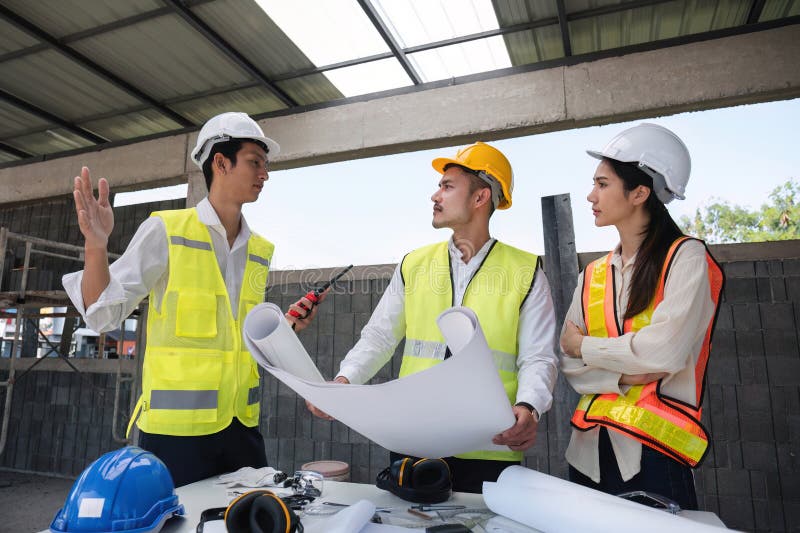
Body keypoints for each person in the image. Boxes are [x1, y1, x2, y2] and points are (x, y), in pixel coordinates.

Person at [63, 112, 318, 486]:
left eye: (265, 165)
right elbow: (102, 314)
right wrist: (96, 247)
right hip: (176, 436)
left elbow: (239, 337)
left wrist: (285, 329)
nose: (265, 174)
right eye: (255, 163)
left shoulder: (260, 250)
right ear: (220, 162)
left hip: (241, 428)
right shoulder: (166, 231)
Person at [304, 142, 559, 493]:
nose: (435, 195)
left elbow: (538, 356)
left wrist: (529, 406)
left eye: (447, 185)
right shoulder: (414, 264)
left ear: (480, 197)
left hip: (488, 445)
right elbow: (378, 337)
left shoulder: (526, 271)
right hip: (415, 439)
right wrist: (344, 382)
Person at [559, 123, 724, 510]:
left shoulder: (686, 258)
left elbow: (661, 354)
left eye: (602, 184)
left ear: (639, 192)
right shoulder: (593, 275)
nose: (591, 195)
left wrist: (586, 347)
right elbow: (567, 363)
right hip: (586, 454)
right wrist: (626, 370)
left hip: (654, 456)